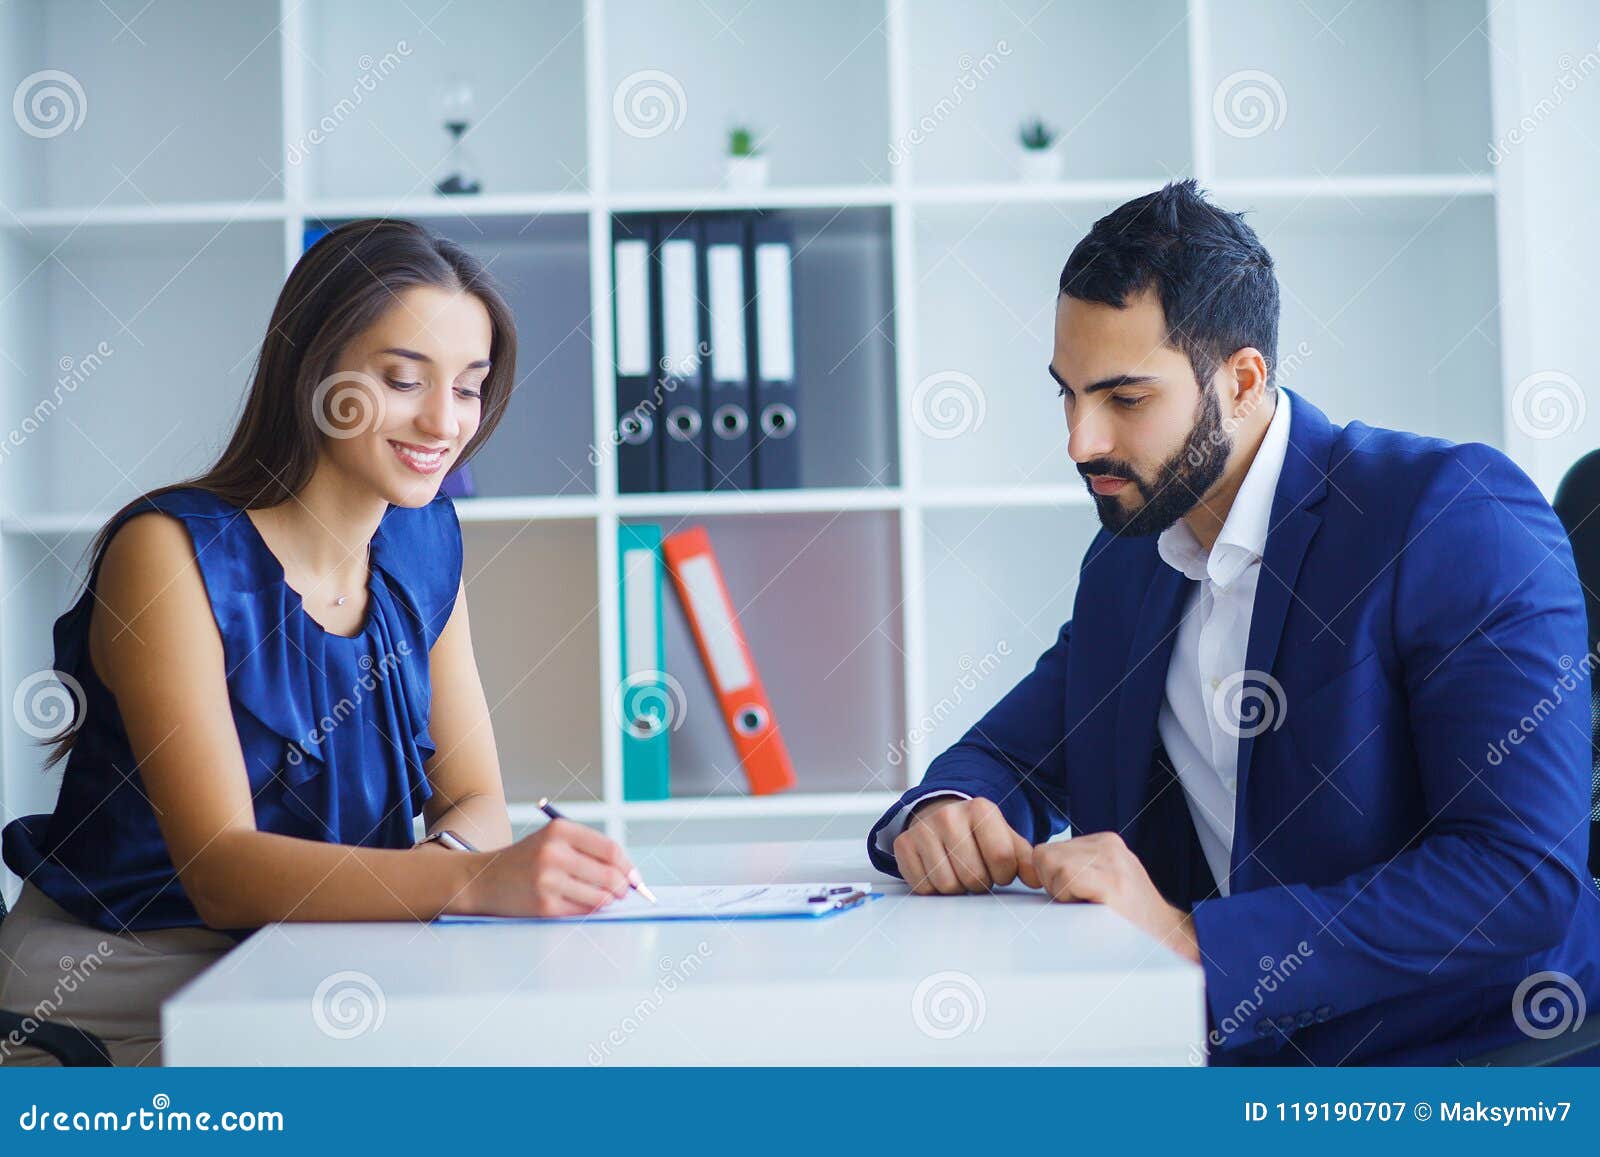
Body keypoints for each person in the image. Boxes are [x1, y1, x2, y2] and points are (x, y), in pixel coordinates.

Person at [868, 180, 1600, 1065]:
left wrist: (1192, 940)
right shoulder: (1133, 557)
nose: (1080, 442)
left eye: (1125, 399)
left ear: (1243, 381)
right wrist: (947, 810)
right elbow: (1014, 753)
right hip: (1223, 1045)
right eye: (1068, 394)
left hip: (1470, 1050)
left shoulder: (1451, 515)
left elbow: (1517, 875)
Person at [0, 219, 636, 1066]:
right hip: (128, 992)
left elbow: (477, 799)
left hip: (322, 959)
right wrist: (469, 879)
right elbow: (220, 872)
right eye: (404, 380)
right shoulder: (170, 551)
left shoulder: (424, 541)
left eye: (469, 387)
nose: (443, 420)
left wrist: (445, 872)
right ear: (315, 372)